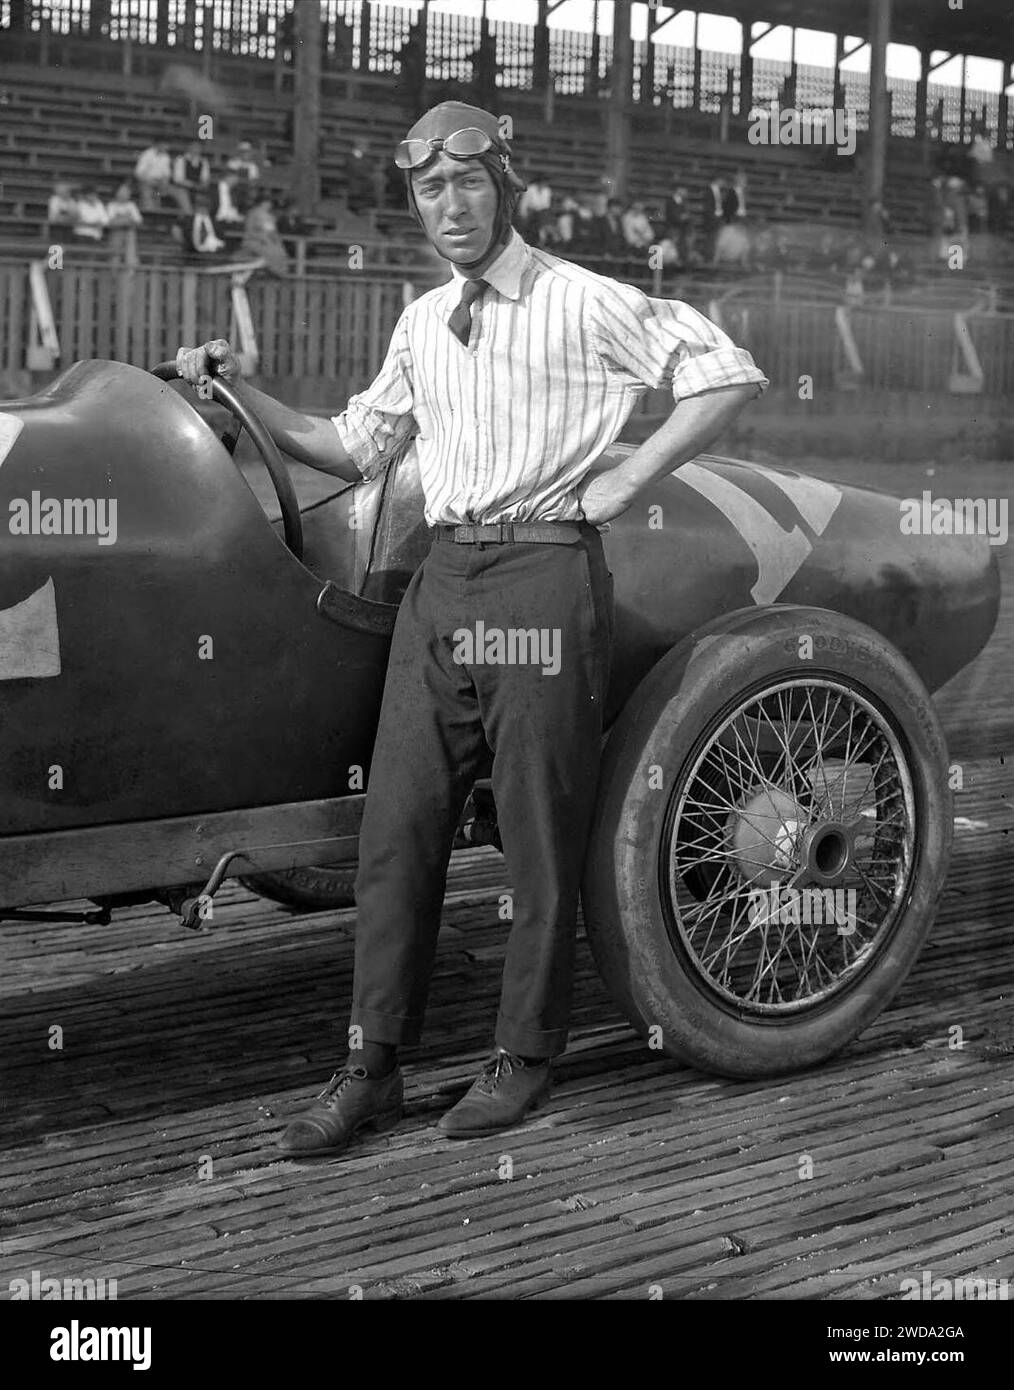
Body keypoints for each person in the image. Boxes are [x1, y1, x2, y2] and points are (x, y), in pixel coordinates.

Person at [173, 101, 766, 1156]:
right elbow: (351, 446)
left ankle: (525, 1057)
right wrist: (236, 389)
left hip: (542, 575)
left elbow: (723, 372)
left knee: (538, 833)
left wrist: (628, 474)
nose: (449, 205)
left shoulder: (580, 300)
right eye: (429, 190)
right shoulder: (419, 322)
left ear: (506, 185)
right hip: (441, 583)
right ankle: (371, 1065)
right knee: (398, 831)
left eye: (467, 183)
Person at [241, 195, 289, 276]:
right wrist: (262, 237)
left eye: (269, 203)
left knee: (280, 251)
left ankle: (280, 272)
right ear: (262, 203)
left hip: (269, 240)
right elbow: (249, 230)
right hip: (254, 240)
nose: (269, 204)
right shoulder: (253, 213)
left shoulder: (270, 216)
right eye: (267, 202)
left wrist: (277, 241)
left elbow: (273, 232)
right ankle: (272, 270)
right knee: (270, 251)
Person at [134, 141, 182, 213]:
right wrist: (149, 180)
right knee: (148, 195)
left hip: (160, 185)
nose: (167, 147)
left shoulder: (166, 157)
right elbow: (138, 173)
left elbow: (167, 174)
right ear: (159, 144)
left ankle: (188, 217)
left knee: (180, 192)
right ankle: (150, 215)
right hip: (146, 184)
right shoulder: (147, 154)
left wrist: (164, 182)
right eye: (166, 145)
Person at [106, 181, 143, 266]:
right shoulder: (111, 206)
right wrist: (127, 220)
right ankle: (114, 265)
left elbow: (138, 221)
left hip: (129, 235)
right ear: (117, 192)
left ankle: (131, 263)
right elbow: (110, 222)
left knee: (130, 234)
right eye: (124, 190)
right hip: (115, 234)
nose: (127, 193)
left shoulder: (131, 205)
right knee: (115, 252)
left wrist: (121, 220)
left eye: (127, 191)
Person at [172, 141, 211, 215]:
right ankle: (189, 216)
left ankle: (200, 218)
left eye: (198, 147)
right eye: (194, 147)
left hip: (197, 189)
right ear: (189, 147)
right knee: (182, 194)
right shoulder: (181, 159)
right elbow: (177, 179)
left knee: (204, 196)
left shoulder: (204, 162)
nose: (196, 149)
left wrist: (202, 185)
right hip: (181, 188)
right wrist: (192, 185)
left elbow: (205, 178)